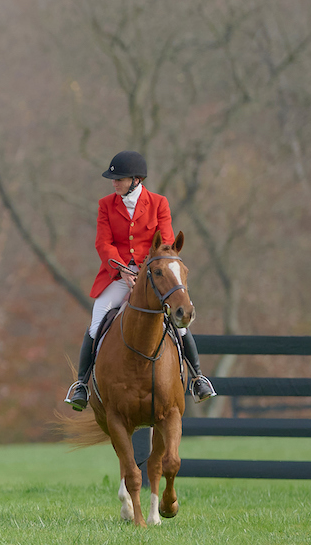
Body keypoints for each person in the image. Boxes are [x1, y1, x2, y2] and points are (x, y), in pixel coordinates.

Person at [65, 149, 215, 409]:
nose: (114, 183)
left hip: (153, 275)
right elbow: (103, 243)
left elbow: (166, 241)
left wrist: (146, 271)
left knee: (179, 324)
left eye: (119, 179)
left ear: (136, 180)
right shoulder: (106, 205)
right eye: (114, 179)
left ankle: (198, 378)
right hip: (117, 275)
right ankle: (81, 385)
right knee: (97, 320)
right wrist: (123, 270)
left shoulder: (158, 203)